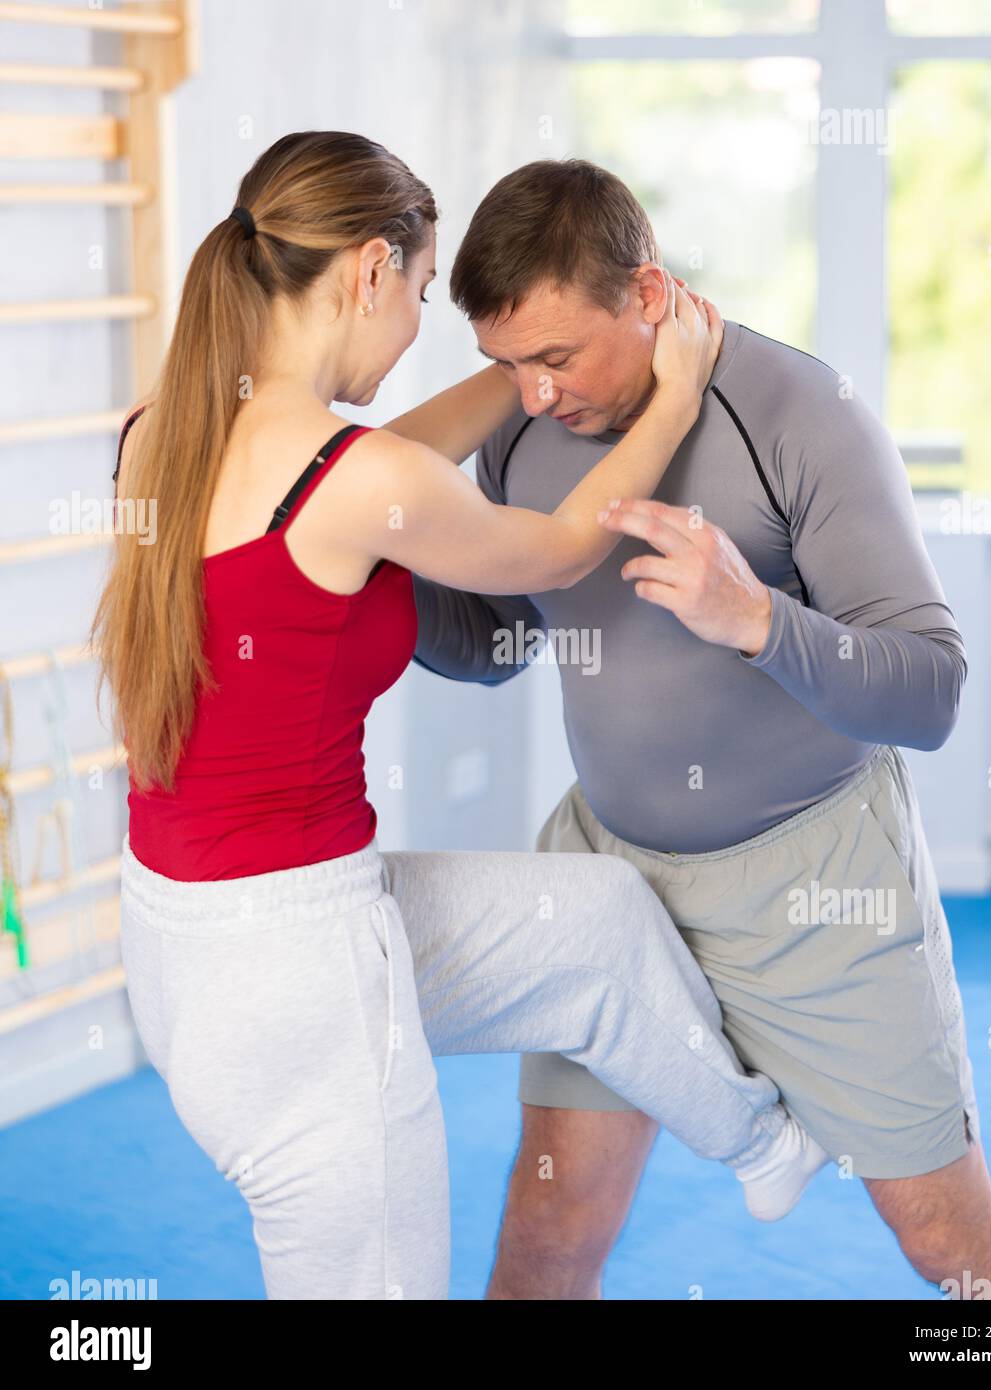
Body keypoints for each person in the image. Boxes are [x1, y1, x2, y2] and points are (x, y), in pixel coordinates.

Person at [93, 131, 829, 1302]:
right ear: (370, 271)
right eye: (426, 291)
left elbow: (381, 461)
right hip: (299, 977)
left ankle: (759, 1142)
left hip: (199, 942)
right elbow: (550, 547)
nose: (416, 322)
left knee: (588, 923)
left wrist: (554, 353)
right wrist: (670, 392)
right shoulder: (349, 479)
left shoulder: (164, 437)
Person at [410, 157, 991, 1301]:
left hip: (815, 883)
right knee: (548, 1236)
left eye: (556, 357)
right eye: (503, 365)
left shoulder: (798, 413)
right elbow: (494, 642)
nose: (532, 397)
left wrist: (757, 618)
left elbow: (929, 689)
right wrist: (358, 569)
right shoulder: (520, 435)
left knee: (953, 1252)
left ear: (648, 294)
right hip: (610, 880)